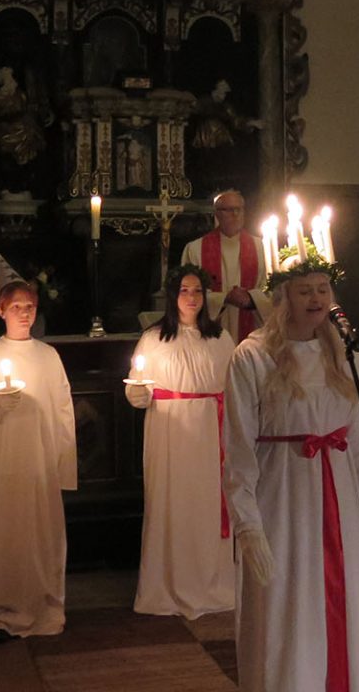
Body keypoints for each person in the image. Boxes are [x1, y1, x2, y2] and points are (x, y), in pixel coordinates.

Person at [224, 255, 359, 691]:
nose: (316, 298)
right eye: (304, 290)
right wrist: (248, 527)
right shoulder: (252, 357)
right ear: (283, 298)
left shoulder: (346, 355)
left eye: (322, 289)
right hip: (283, 500)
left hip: (340, 499)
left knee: (342, 601)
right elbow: (238, 451)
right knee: (288, 606)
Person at [0, 279, 77, 640]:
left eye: (29, 307)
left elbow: (62, 413)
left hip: (40, 465)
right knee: (2, 536)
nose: (24, 314)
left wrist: (63, 467)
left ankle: (43, 608)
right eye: (16, 307)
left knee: (42, 537)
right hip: (2, 465)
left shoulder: (48, 356)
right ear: (1, 311)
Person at [126, 265, 236, 618]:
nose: (192, 298)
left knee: (206, 503)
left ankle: (213, 582)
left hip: (210, 431)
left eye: (198, 291)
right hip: (170, 431)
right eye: (185, 291)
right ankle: (169, 585)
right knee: (173, 502)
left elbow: (234, 386)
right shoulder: (154, 338)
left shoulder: (220, 338)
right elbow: (139, 386)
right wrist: (138, 394)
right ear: (173, 297)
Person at [181, 189, 271, 343]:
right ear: (217, 213)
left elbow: (273, 289)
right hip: (209, 335)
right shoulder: (196, 248)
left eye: (239, 209)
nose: (235, 214)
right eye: (229, 210)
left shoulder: (262, 247)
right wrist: (224, 298)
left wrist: (251, 299)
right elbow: (186, 293)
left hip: (253, 331)